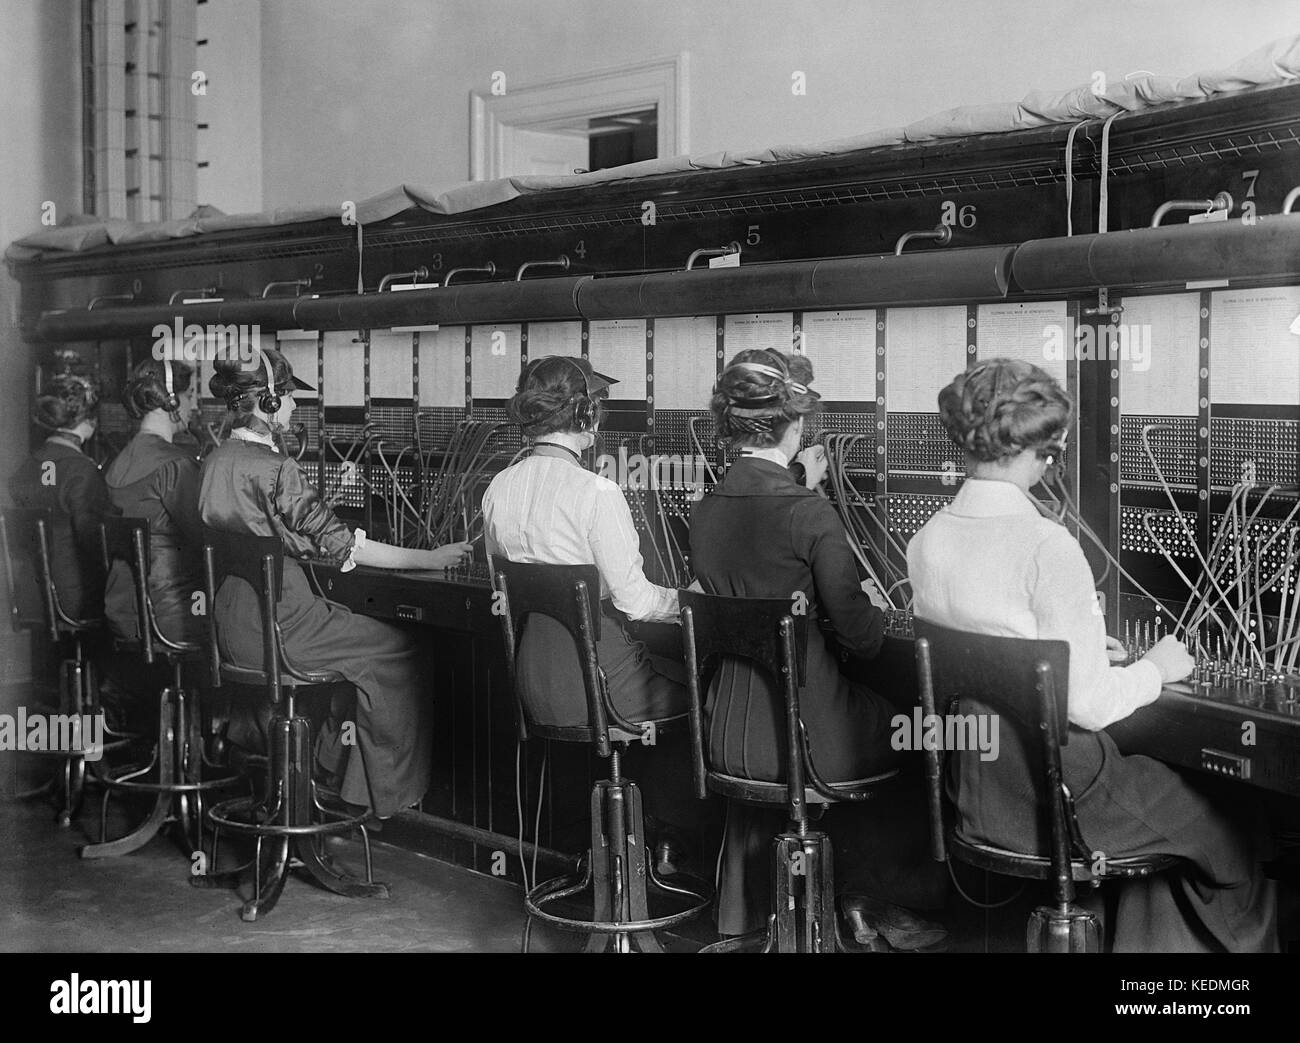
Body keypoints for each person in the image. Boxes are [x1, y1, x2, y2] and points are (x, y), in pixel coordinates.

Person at [906, 357, 1276, 952]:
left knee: (1174, 825)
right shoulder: (1046, 546)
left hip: (977, 790)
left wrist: (1066, 656)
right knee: (1236, 825)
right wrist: (1158, 667)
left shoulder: (928, 539)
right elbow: (1091, 707)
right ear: (1041, 452)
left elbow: (992, 646)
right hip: (1067, 797)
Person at [690, 348, 946, 946]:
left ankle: (813, 908)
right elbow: (862, 636)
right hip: (808, 739)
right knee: (923, 731)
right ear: (797, 424)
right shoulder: (810, 513)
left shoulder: (705, 511)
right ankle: (870, 901)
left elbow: (756, 548)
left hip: (725, 736)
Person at [199, 347, 471, 818]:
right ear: (267, 402)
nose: (294, 408)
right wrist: (431, 556)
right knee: (400, 648)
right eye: (286, 398)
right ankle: (375, 797)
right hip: (282, 625)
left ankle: (326, 776)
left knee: (352, 656)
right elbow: (348, 547)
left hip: (230, 627)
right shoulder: (275, 467)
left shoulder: (214, 460)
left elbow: (260, 534)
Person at [482, 355, 710, 866]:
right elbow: (635, 599)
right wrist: (694, 599)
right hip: (603, 690)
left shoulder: (498, 489)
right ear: (587, 419)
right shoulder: (597, 493)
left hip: (534, 686)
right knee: (707, 696)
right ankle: (660, 845)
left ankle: (621, 850)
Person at [103, 358, 205, 647]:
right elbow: (206, 537)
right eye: (189, 397)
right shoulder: (174, 466)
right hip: (173, 615)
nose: (192, 407)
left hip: (124, 611)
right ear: (171, 401)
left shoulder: (117, 461)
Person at [8, 368, 112, 621]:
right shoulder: (81, 470)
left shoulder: (26, 467)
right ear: (88, 419)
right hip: (74, 600)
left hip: (30, 595)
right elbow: (96, 543)